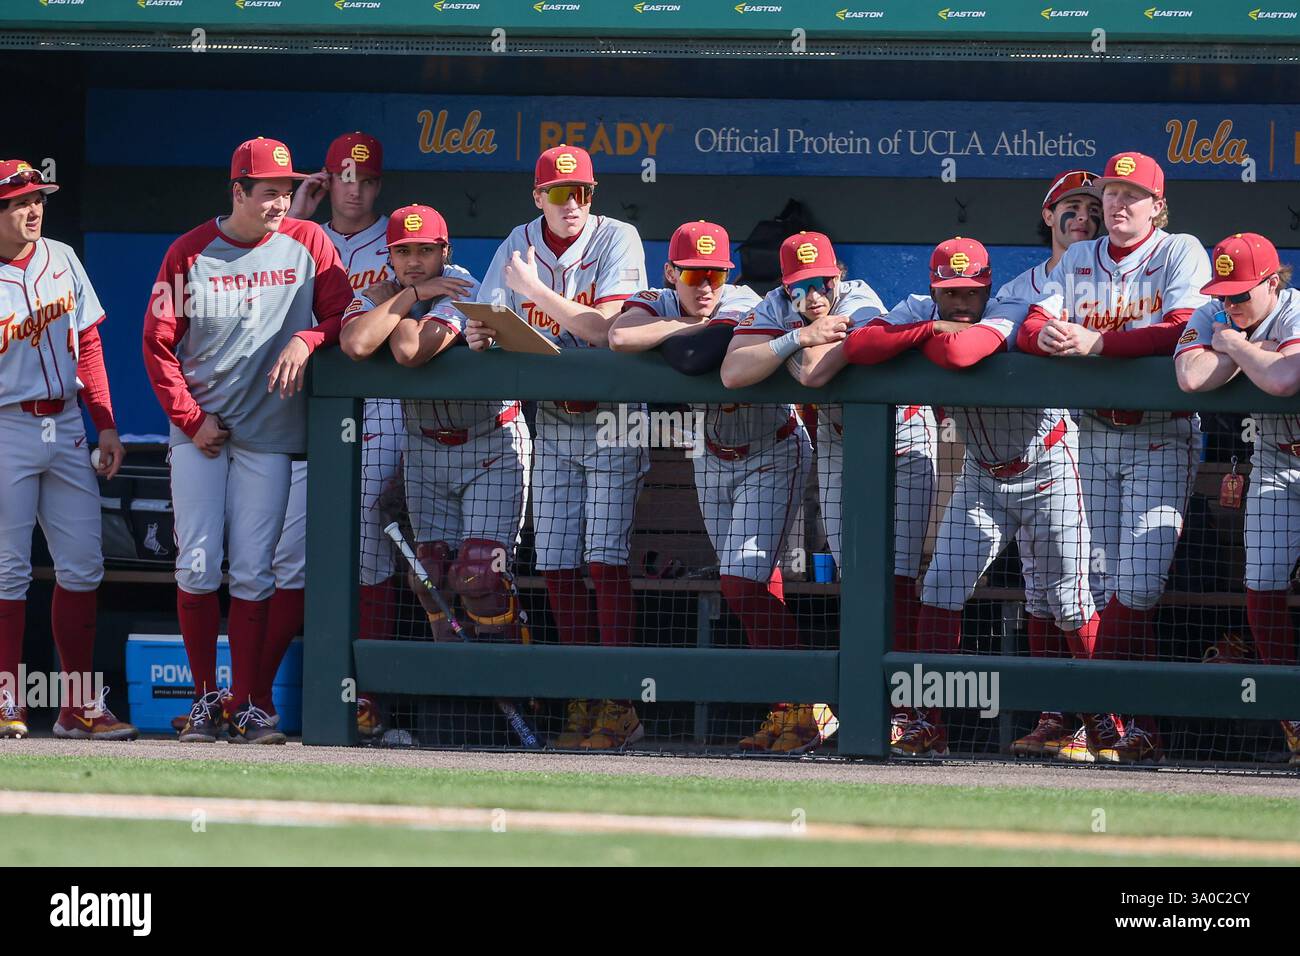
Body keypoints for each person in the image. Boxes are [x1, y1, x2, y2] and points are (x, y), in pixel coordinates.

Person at [844, 237, 1099, 758]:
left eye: (970, 292)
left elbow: (960, 352)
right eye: (950, 293)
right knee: (939, 589)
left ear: (986, 286)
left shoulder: (1006, 304)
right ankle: (924, 721)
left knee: (1068, 600)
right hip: (982, 474)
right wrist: (927, 326)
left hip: (1046, 462)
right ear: (933, 288)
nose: (961, 303)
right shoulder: (920, 309)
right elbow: (859, 347)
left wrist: (925, 338)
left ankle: (1108, 722)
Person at [143, 137, 352, 744]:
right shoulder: (189, 252)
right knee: (199, 563)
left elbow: (344, 313)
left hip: (270, 431)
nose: (280, 203)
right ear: (237, 191)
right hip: (202, 432)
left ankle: (253, 703)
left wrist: (307, 339)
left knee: (257, 573)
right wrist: (189, 419)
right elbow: (157, 344)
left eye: (287, 191)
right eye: (268, 192)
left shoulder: (310, 241)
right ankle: (207, 700)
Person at [608, 220, 833, 753]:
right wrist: (677, 324)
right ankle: (790, 710)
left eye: (714, 273)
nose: (706, 286)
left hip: (770, 449)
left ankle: (808, 700)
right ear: (671, 273)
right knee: (750, 583)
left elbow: (696, 356)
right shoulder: (654, 297)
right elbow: (619, 336)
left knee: (738, 582)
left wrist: (677, 331)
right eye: (693, 275)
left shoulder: (742, 300)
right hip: (710, 453)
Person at [1018, 151, 1212, 763]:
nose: (1117, 204)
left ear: (1158, 204)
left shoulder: (1180, 249)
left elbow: (1183, 325)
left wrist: (1098, 342)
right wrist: (1045, 334)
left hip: (1160, 434)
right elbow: (1035, 318)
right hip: (1094, 436)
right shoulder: (1079, 258)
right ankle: (1131, 726)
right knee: (1094, 587)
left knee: (1139, 585)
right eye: (1110, 194)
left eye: (1133, 194)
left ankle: (1100, 703)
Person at [720, 230, 935, 746]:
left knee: (897, 580)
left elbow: (813, 376)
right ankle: (853, 710)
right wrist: (796, 337)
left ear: (838, 275)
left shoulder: (861, 299)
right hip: (840, 441)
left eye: (822, 282)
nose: (813, 296)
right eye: (801, 286)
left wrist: (792, 349)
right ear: (785, 286)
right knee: (857, 577)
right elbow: (731, 371)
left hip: (900, 438)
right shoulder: (776, 305)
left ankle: (916, 717)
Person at [468, 144, 648, 750]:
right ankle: (580, 695)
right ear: (537, 195)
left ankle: (620, 700)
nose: (571, 203)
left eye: (582, 192)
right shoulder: (517, 242)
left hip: (615, 419)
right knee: (558, 565)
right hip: (556, 423)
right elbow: (489, 316)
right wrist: (479, 329)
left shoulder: (619, 237)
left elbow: (607, 329)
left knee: (603, 560)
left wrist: (531, 292)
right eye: (558, 192)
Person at [256, 131, 404, 739]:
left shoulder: (401, 235)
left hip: (383, 407)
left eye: (367, 180)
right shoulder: (295, 233)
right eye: (345, 175)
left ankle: (373, 700)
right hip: (308, 410)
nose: (355, 188)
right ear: (326, 176)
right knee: (288, 555)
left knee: (369, 538)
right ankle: (252, 696)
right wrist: (293, 215)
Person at [341, 205, 531, 654]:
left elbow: (410, 350)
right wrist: (408, 296)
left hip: (490, 444)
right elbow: (354, 343)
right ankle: (454, 690)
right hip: (426, 449)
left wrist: (400, 303)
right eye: (403, 251)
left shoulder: (460, 283)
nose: (413, 261)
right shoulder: (385, 290)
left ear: (445, 251)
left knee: (479, 573)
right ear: (388, 255)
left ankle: (507, 676)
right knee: (428, 575)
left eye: (425, 250)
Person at [0, 159, 136, 741]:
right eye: (19, 203)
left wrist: (105, 423)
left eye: (38, 200)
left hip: (66, 422)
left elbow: (89, 342)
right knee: (6, 572)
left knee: (83, 565)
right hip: (6, 425)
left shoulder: (62, 256)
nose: (33, 211)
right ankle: (7, 701)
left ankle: (77, 706)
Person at [1174, 231, 1300, 767]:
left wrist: (1234, 346)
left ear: (1273, 283)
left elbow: (1284, 379)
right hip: (1276, 459)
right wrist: (1242, 349)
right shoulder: (1213, 312)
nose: (1228, 305)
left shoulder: (1295, 311)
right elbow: (1190, 377)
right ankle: (1293, 719)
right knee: (1262, 583)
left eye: (1241, 294)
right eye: (1223, 294)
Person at [995, 169, 1103, 757]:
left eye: (1093, 205)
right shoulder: (1016, 288)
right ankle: (1056, 715)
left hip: (1110, 446)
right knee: (1043, 585)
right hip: (1043, 447)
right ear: (1047, 215)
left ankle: (1111, 717)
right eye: (1069, 205)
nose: (1081, 214)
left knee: (1098, 585)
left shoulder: (1117, 281)